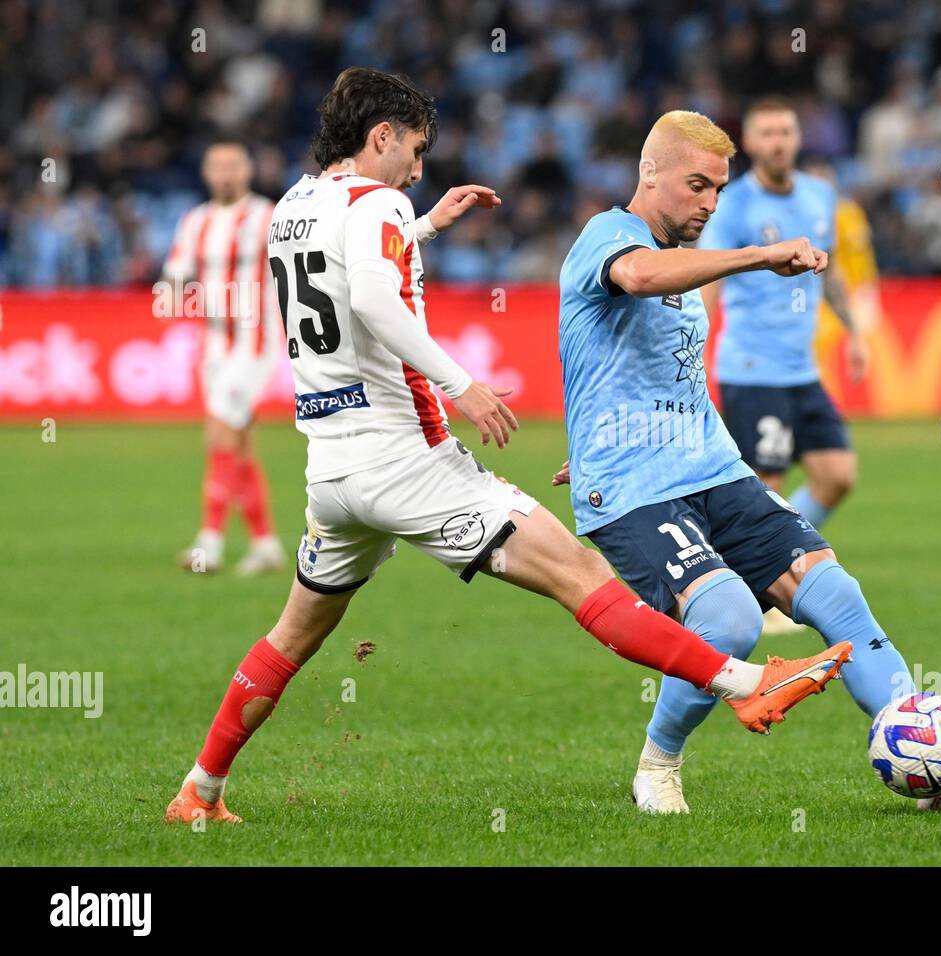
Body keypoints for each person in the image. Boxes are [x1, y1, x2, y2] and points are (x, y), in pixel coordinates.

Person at [164, 68, 850, 826]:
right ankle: (746, 683)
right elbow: (370, 294)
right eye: (415, 151)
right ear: (381, 137)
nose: (417, 173)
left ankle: (200, 790)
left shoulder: (294, 205)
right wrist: (461, 385)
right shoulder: (379, 203)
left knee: (292, 635)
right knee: (581, 575)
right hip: (407, 462)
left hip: (330, 468)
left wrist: (426, 228)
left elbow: (340, 268)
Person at [554, 109, 941, 814]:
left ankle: (934, 767)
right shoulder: (609, 235)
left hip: (712, 469)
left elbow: (656, 373)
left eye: (719, 188)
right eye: (697, 185)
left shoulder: (684, 262)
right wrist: (755, 255)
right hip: (635, 492)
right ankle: (657, 765)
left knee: (838, 595)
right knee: (730, 623)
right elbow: (640, 276)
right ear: (649, 172)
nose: (710, 203)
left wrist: (615, 430)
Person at [698, 98, 871, 634]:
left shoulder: (820, 195)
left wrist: (853, 331)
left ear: (798, 138)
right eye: (767, 133)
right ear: (749, 143)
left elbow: (831, 271)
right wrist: (693, 347)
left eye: (786, 131)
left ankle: (770, 566)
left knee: (837, 476)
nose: (778, 141)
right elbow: (708, 274)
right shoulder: (733, 205)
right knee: (763, 487)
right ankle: (765, 595)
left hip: (802, 369)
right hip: (752, 368)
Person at [163, 141, 286, 575]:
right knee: (239, 445)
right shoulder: (195, 221)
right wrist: (173, 294)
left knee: (218, 436)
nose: (226, 173)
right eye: (217, 165)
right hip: (214, 345)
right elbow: (175, 276)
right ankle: (265, 544)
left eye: (233, 165)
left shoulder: (269, 216)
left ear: (248, 170)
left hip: (255, 342)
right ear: (205, 172)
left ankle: (209, 544)